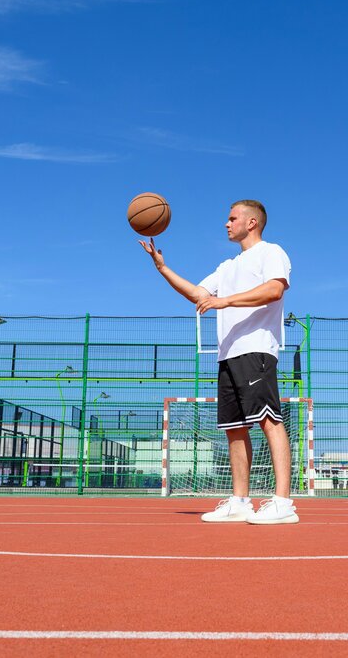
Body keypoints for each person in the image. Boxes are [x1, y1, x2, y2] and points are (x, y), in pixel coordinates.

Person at [140, 200, 297, 525]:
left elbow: (273, 290)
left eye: (232, 218)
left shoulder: (271, 252)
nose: (226, 224)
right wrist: (162, 268)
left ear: (252, 222)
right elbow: (199, 295)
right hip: (227, 355)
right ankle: (241, 501)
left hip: (257, 350)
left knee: (270, 421)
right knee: (234, 429)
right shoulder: (227, 267)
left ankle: (283, 502)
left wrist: (224, 301)